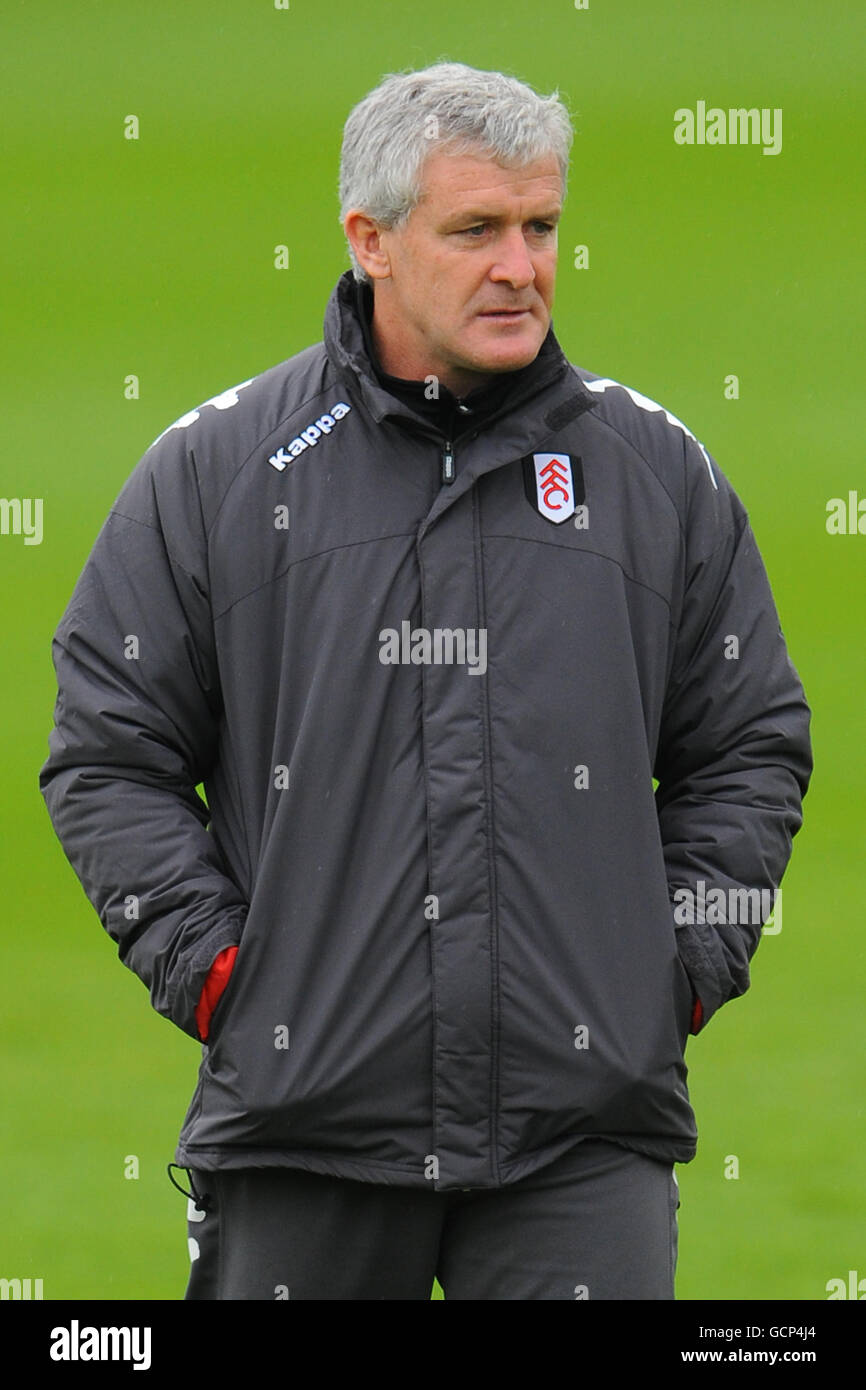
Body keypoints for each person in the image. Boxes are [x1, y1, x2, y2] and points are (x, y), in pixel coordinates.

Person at [39, 62, 812, 1301]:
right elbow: (107, 753)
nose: (521, 265)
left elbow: (748, 743)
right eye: (476, 230)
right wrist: (224, 977)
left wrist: (677, 971)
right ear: (371, 241)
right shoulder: (220, 471)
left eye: (540, 226)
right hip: (306, 1125)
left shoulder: (652, 472)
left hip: (582, 1134)